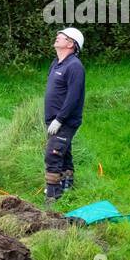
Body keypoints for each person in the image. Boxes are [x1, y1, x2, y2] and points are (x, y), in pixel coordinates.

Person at [44, 28, 85, 201]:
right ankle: (68, 186)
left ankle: (53, 197)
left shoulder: (74, 66)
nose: (58, 36)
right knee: (64, 152)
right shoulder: (57, 62)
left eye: (63, 36)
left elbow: (73, 97)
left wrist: (59, 119)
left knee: (53, 155)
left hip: (65, 121)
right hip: (53, 119)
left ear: (71, 44)